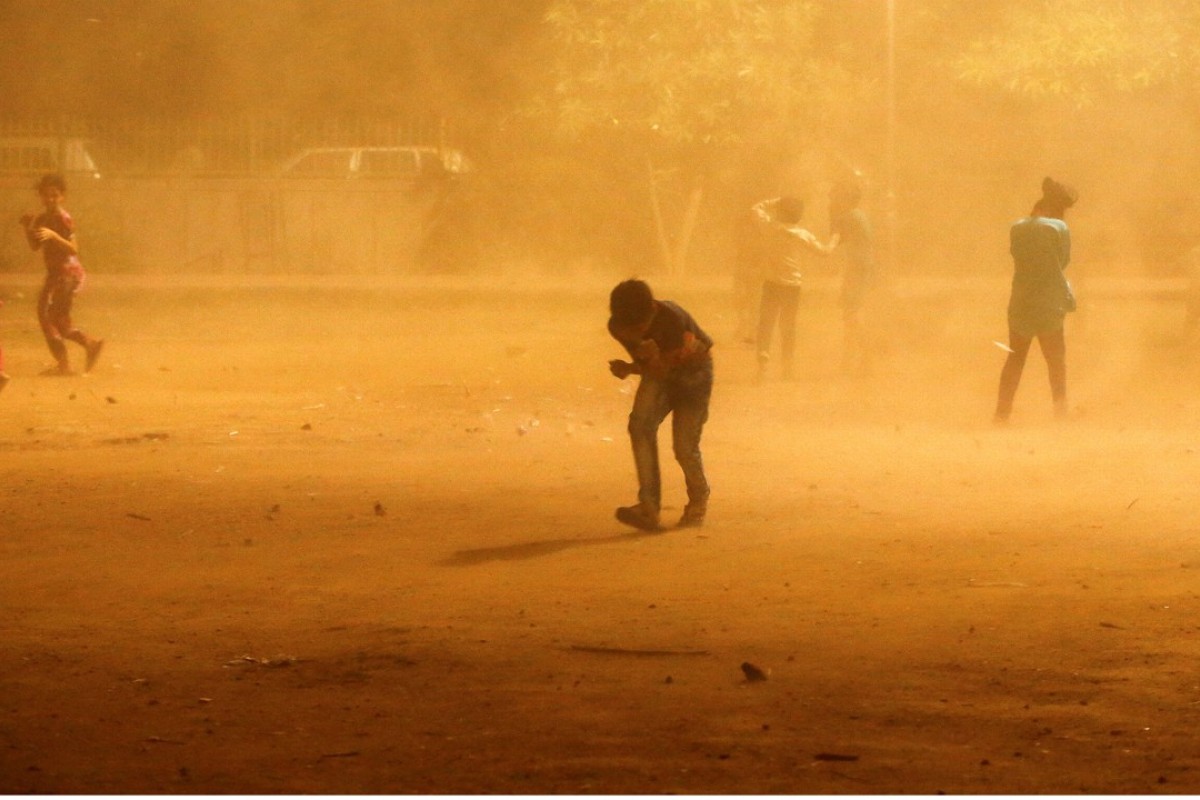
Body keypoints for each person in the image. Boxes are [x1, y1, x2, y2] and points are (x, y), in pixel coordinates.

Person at [607, 279, 713, 531]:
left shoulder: (673, 320)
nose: (633, 334)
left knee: (684, 447)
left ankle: (698, 499)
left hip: (693, 378)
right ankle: (649, 507)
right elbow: (652, 367)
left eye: (638, 327)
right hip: (661, 373)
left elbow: (666, 365)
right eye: (628, 328)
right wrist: (634, 366)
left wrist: (633, 367)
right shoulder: (619, 326)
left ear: (653, 310)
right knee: (640, 426)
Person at [994, 177, 1078, 423]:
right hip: (1049, 303)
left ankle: (1001, 414)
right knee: (1055, 360)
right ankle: (1060, 414)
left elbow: (1016, 256)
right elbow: (1062, 262)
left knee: (1015, 358)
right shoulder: (1059, 228)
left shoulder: (1016, 227)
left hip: (1020, 302)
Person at [19, 173, 104, 376]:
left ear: (62, 196)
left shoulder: (63, 218)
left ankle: (64, 364)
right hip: (56, 274)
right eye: (46, 196)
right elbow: (35, 246)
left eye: (54, 195)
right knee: (60, 321)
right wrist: (26, 228)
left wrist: (55, 236)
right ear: (41, 196)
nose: (50, 199)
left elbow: (73, 249)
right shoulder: (42, 218)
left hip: (67, 273)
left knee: (46, 315)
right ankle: (90, 345)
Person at [751, 196, 831, 381]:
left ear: (780, 211)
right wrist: (835, 239)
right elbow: (824, 252)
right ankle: (787, 368)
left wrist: (777, 200)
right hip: (792, 285)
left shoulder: (769, 227)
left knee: (766, 324)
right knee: (788, 326)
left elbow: (755, 208)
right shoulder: (802, 234)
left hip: (771, 284)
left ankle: (763, 362)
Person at [827, 174, 876, 375]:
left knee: (852, 315)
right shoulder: (859, 214)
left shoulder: (849, 216)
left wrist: (832, 215)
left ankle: (866, 357)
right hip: (860, 268)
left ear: (845, 198)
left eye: (836, 197)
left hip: (857, 269)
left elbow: (834, 241)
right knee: (849, 315)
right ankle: (849, 361)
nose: (833, 200)